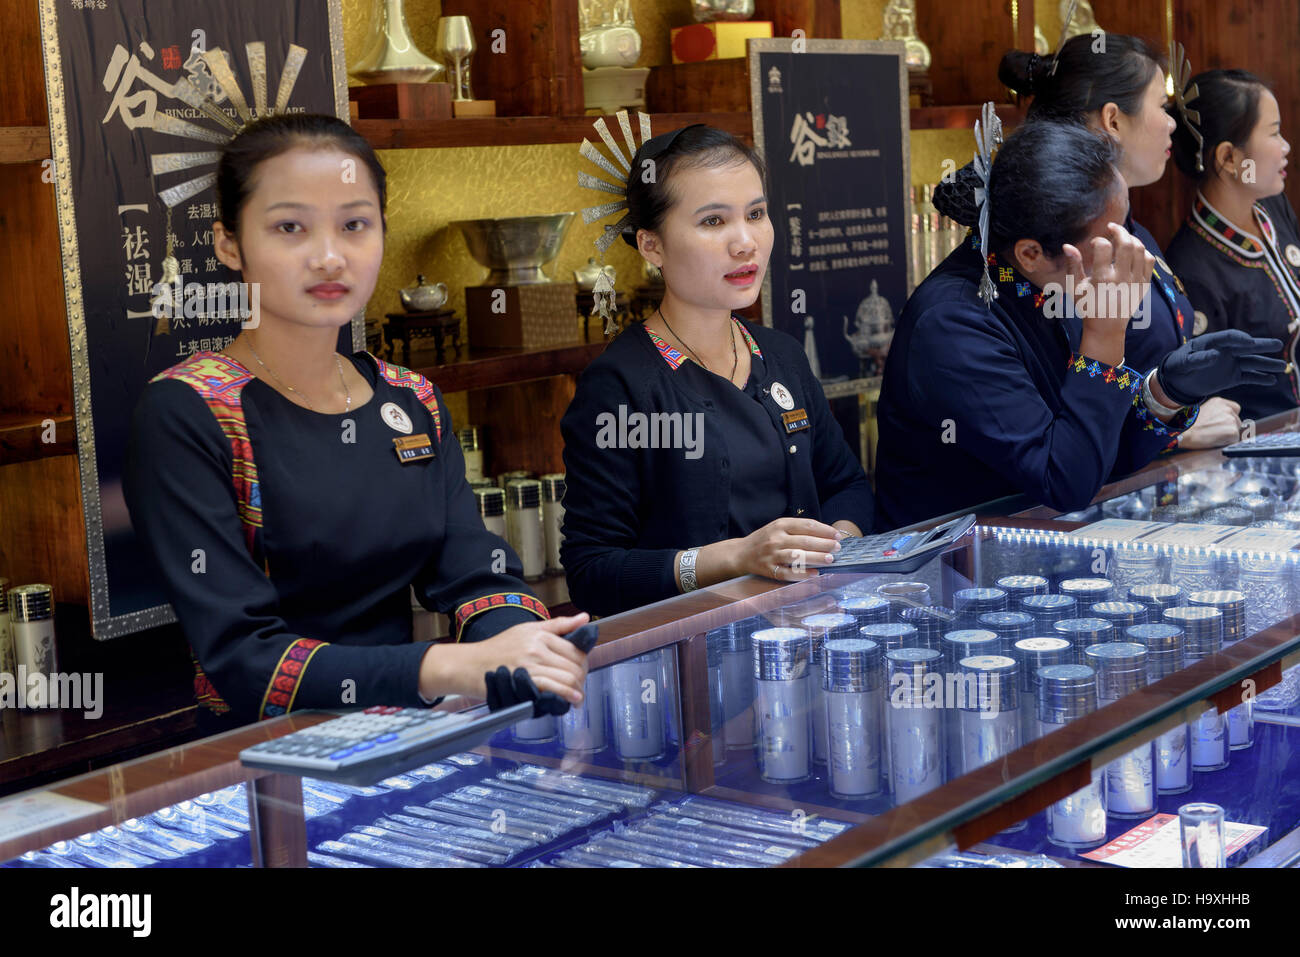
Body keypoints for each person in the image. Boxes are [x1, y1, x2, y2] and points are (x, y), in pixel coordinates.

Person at [124, 113, 589, 731]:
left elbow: (473, 569)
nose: (328, 256)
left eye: (354, 225)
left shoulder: (411, 398)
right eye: (290, 227)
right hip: (266, 763)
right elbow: (243, 659)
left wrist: (526, 645)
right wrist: (454, 667)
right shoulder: (190, 411)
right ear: (229, 243)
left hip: (410, 738)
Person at [873, 121, 1283, 530]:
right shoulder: (952, 325)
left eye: (1128, 227)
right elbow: (1066, 481)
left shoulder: (1047, 279)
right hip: (948, 571)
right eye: (1111, 237)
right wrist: (1105, 335)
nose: (1133, 248)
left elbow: (1103, 453)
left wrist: (1165, 391)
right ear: (1031, 252)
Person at [559, 125, 874, 618]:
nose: (745, 242)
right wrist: (736, 557)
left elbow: (847, 486)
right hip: (690, 659)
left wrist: (830, 543)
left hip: (810, 626)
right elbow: (593, 571)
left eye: (756, 214)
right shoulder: (621, 387)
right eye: (712, 222)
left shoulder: (781, 356)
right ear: (651, 246)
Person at [996, 34, 1243, 448]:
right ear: (1112, 120)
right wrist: (1169, 434)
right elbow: (1058, 421)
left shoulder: (1129, 226)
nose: (1172, 123)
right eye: (1163, 108)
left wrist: (1171, 414)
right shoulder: (1059, 249)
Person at [1165, 69, 1300, 420]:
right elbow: (1214, 404)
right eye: (1273, 133)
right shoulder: (1193, 270)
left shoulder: (1271, 207)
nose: (1286, 146)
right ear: (1229, 158)